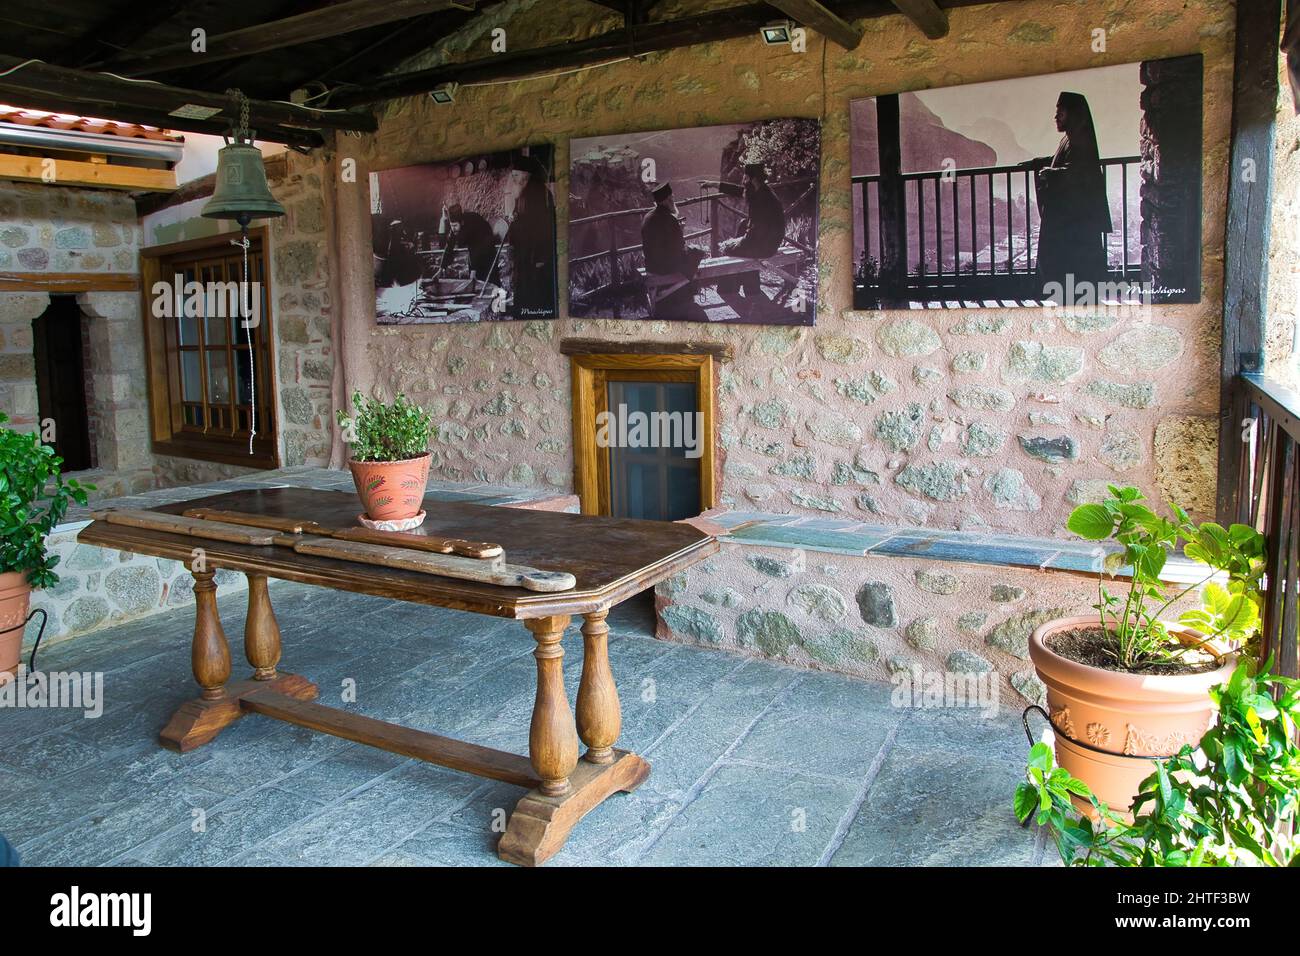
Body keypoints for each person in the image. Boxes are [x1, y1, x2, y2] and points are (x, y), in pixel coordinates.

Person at [1030, 91, 1112, 298]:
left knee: (1067, 260)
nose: (1056, 117)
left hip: (1074, 217)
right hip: (1070, 216)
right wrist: (1040, 163)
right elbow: (1062, 161)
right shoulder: (1070, 139)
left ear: (1073, 114)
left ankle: (1067, 295)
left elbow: (1081, 172)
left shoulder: (1080, 140)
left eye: (1061, 112)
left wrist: (1051, 173)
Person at [699, 162, 786, 320]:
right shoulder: (760, 190)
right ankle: (750, 287)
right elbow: (739, 190)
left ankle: (729, 288)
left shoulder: (763, 198)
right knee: (741, 227)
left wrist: (742, 242)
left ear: (752, 179)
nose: (743, 179)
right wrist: (712, 184)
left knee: (727, 249)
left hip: (767, 244)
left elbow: (759, 230)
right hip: (767, 240)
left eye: (746, 176)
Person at [640, 181, 708, 321]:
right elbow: (679, 249)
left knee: (691, 253)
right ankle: (690, 292)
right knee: (696, 254)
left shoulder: (648, 217)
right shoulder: (670, 220)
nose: (673, 201)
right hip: (665, 267)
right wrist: (680, 231)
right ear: (667, 200)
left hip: (651, 265)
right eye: (672, 198)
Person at [504, 153, 557, 315]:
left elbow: (545, 227)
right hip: (524, 253)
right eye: (513, 176)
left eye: (516, 176)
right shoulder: (522, 194)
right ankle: (522, 311)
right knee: (524, 287)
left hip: (536, 255)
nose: (513, 180)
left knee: (536, 289)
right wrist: (513, 220)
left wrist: (541, 257)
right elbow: (520, 220)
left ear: (525, 177)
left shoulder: (540, 194)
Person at [439, 204, 499, 286]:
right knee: (474, 283)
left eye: (455, 225)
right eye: (451, 226)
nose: (453, 228)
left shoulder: (472, 223)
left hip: (487, 247)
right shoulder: (454, 230)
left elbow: (475, 247)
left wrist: (474, 270)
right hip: (475, 251)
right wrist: (441, 268)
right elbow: (449, 247)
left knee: (490, 281)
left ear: (462, 222)